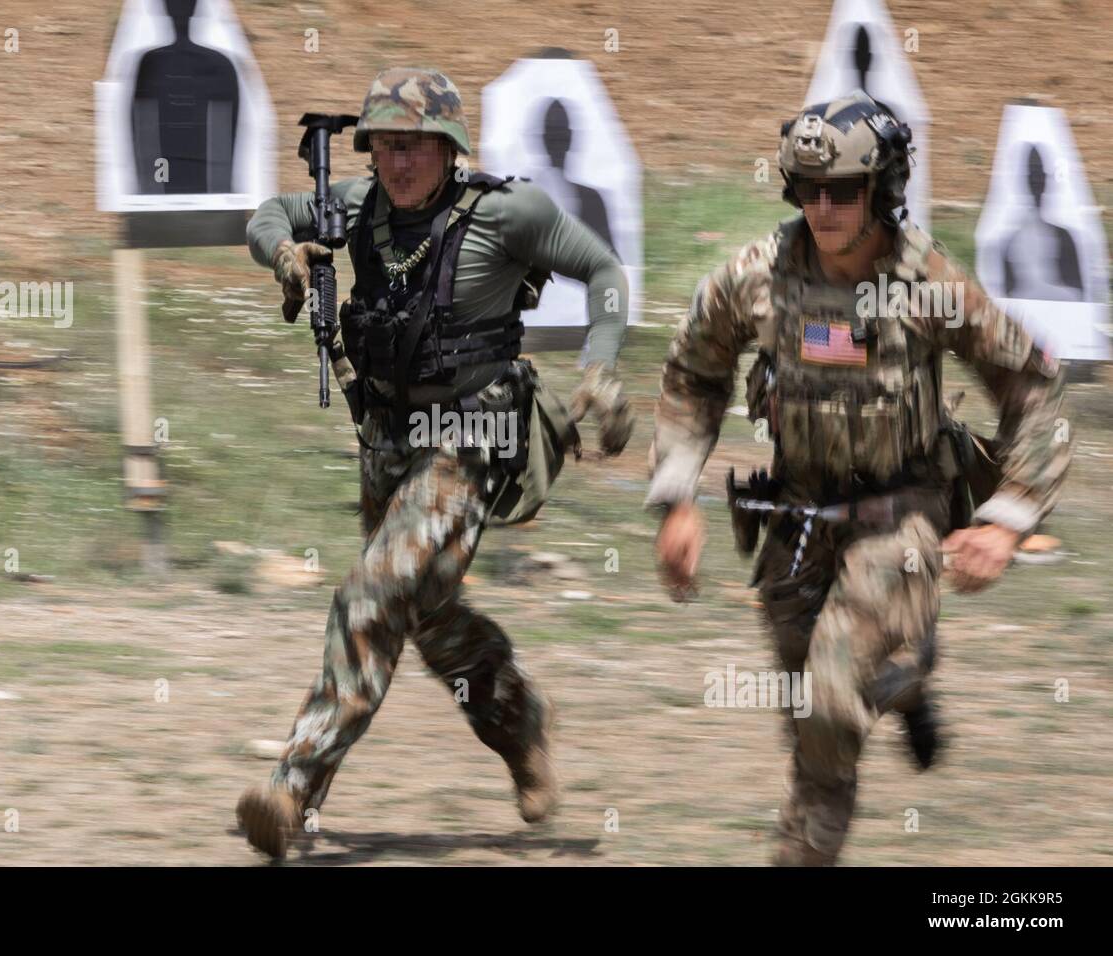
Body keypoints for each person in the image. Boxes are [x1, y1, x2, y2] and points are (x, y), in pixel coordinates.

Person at [648, 90, 1071, 865]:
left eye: (842, 190)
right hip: (796, 518)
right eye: (808, 189)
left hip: (900, 517)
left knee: (831, 699)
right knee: (812, 727)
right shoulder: (758, 275)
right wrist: (677, 495)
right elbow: (692, 370)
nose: (823, 206)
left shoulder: (928, 281)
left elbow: (1032, 388)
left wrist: (1009, 516)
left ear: (881, 189)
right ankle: (904, 680)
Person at [236, 66, 634, 860]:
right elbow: (269, 213)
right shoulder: (357, 204)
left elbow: (607, 274)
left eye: (414, 145)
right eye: (384, 145)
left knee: (372, 594)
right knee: (424, 617)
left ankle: (291, 786)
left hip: (471, 442)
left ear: (448, 147)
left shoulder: (506, 212)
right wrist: (282, 252)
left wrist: (602, 367)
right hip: (385, 440)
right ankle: (519, 722)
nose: (398, 162)